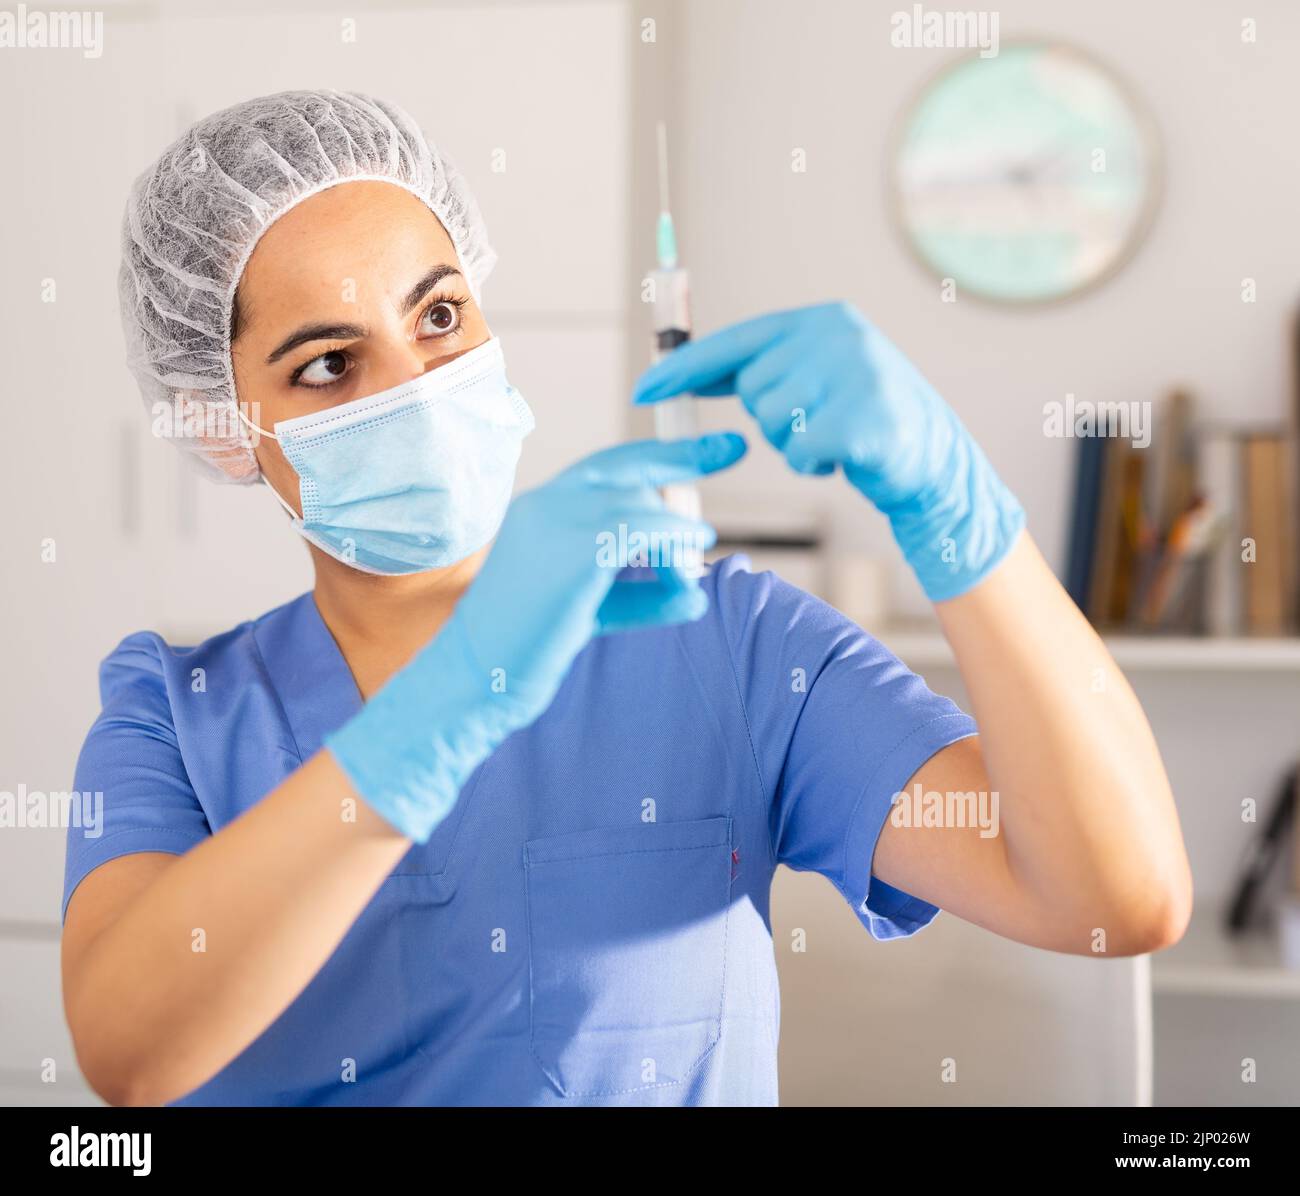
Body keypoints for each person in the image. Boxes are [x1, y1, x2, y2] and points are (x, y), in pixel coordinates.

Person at [61, 89, 1190, 1107]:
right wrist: (450, 703)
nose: (417, 386)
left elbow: (1114, 896)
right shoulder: (175, 712)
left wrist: (958, 516)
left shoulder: (726, 640)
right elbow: (128, 1051)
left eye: (441, 315)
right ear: (222, 423)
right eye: (326, 365)